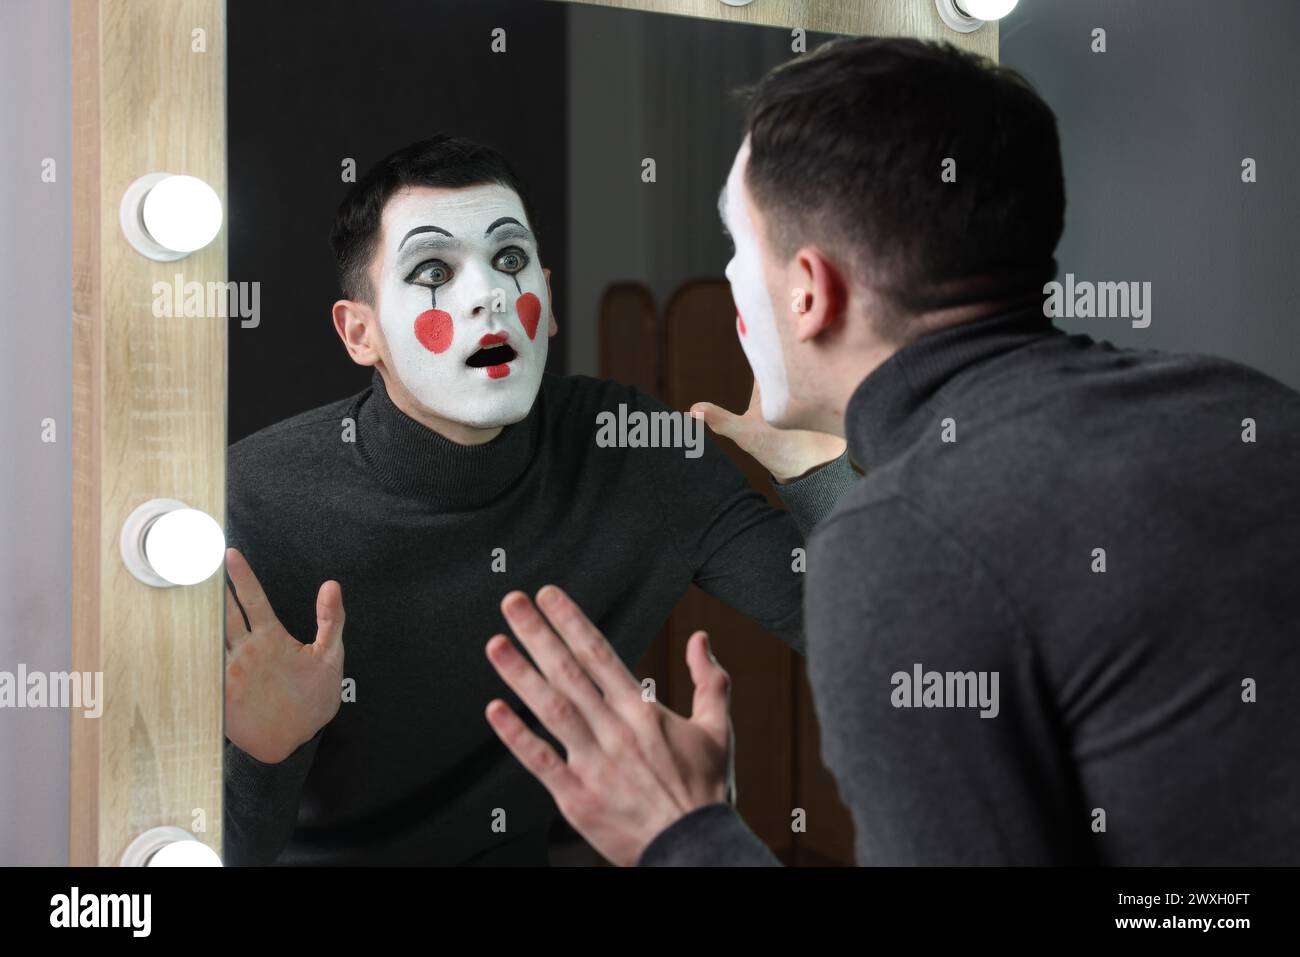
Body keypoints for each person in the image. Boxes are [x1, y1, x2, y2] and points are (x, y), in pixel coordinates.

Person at [482, 37, 1300, 866]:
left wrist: (684, 836)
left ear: (809, 291)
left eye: (737, 243)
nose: (728, 274)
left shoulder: (905, 547)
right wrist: (823, 475)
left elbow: (951, 561)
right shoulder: (1247, 405)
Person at [222, 134, 857, 865]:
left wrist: (819, 472)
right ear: (359, 332)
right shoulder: (254, 503)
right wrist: (266, 752)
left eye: (510, 260)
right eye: (433, 269)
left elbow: (873, 630)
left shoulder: (633, 450)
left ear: (548, 302)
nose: (489, 292)